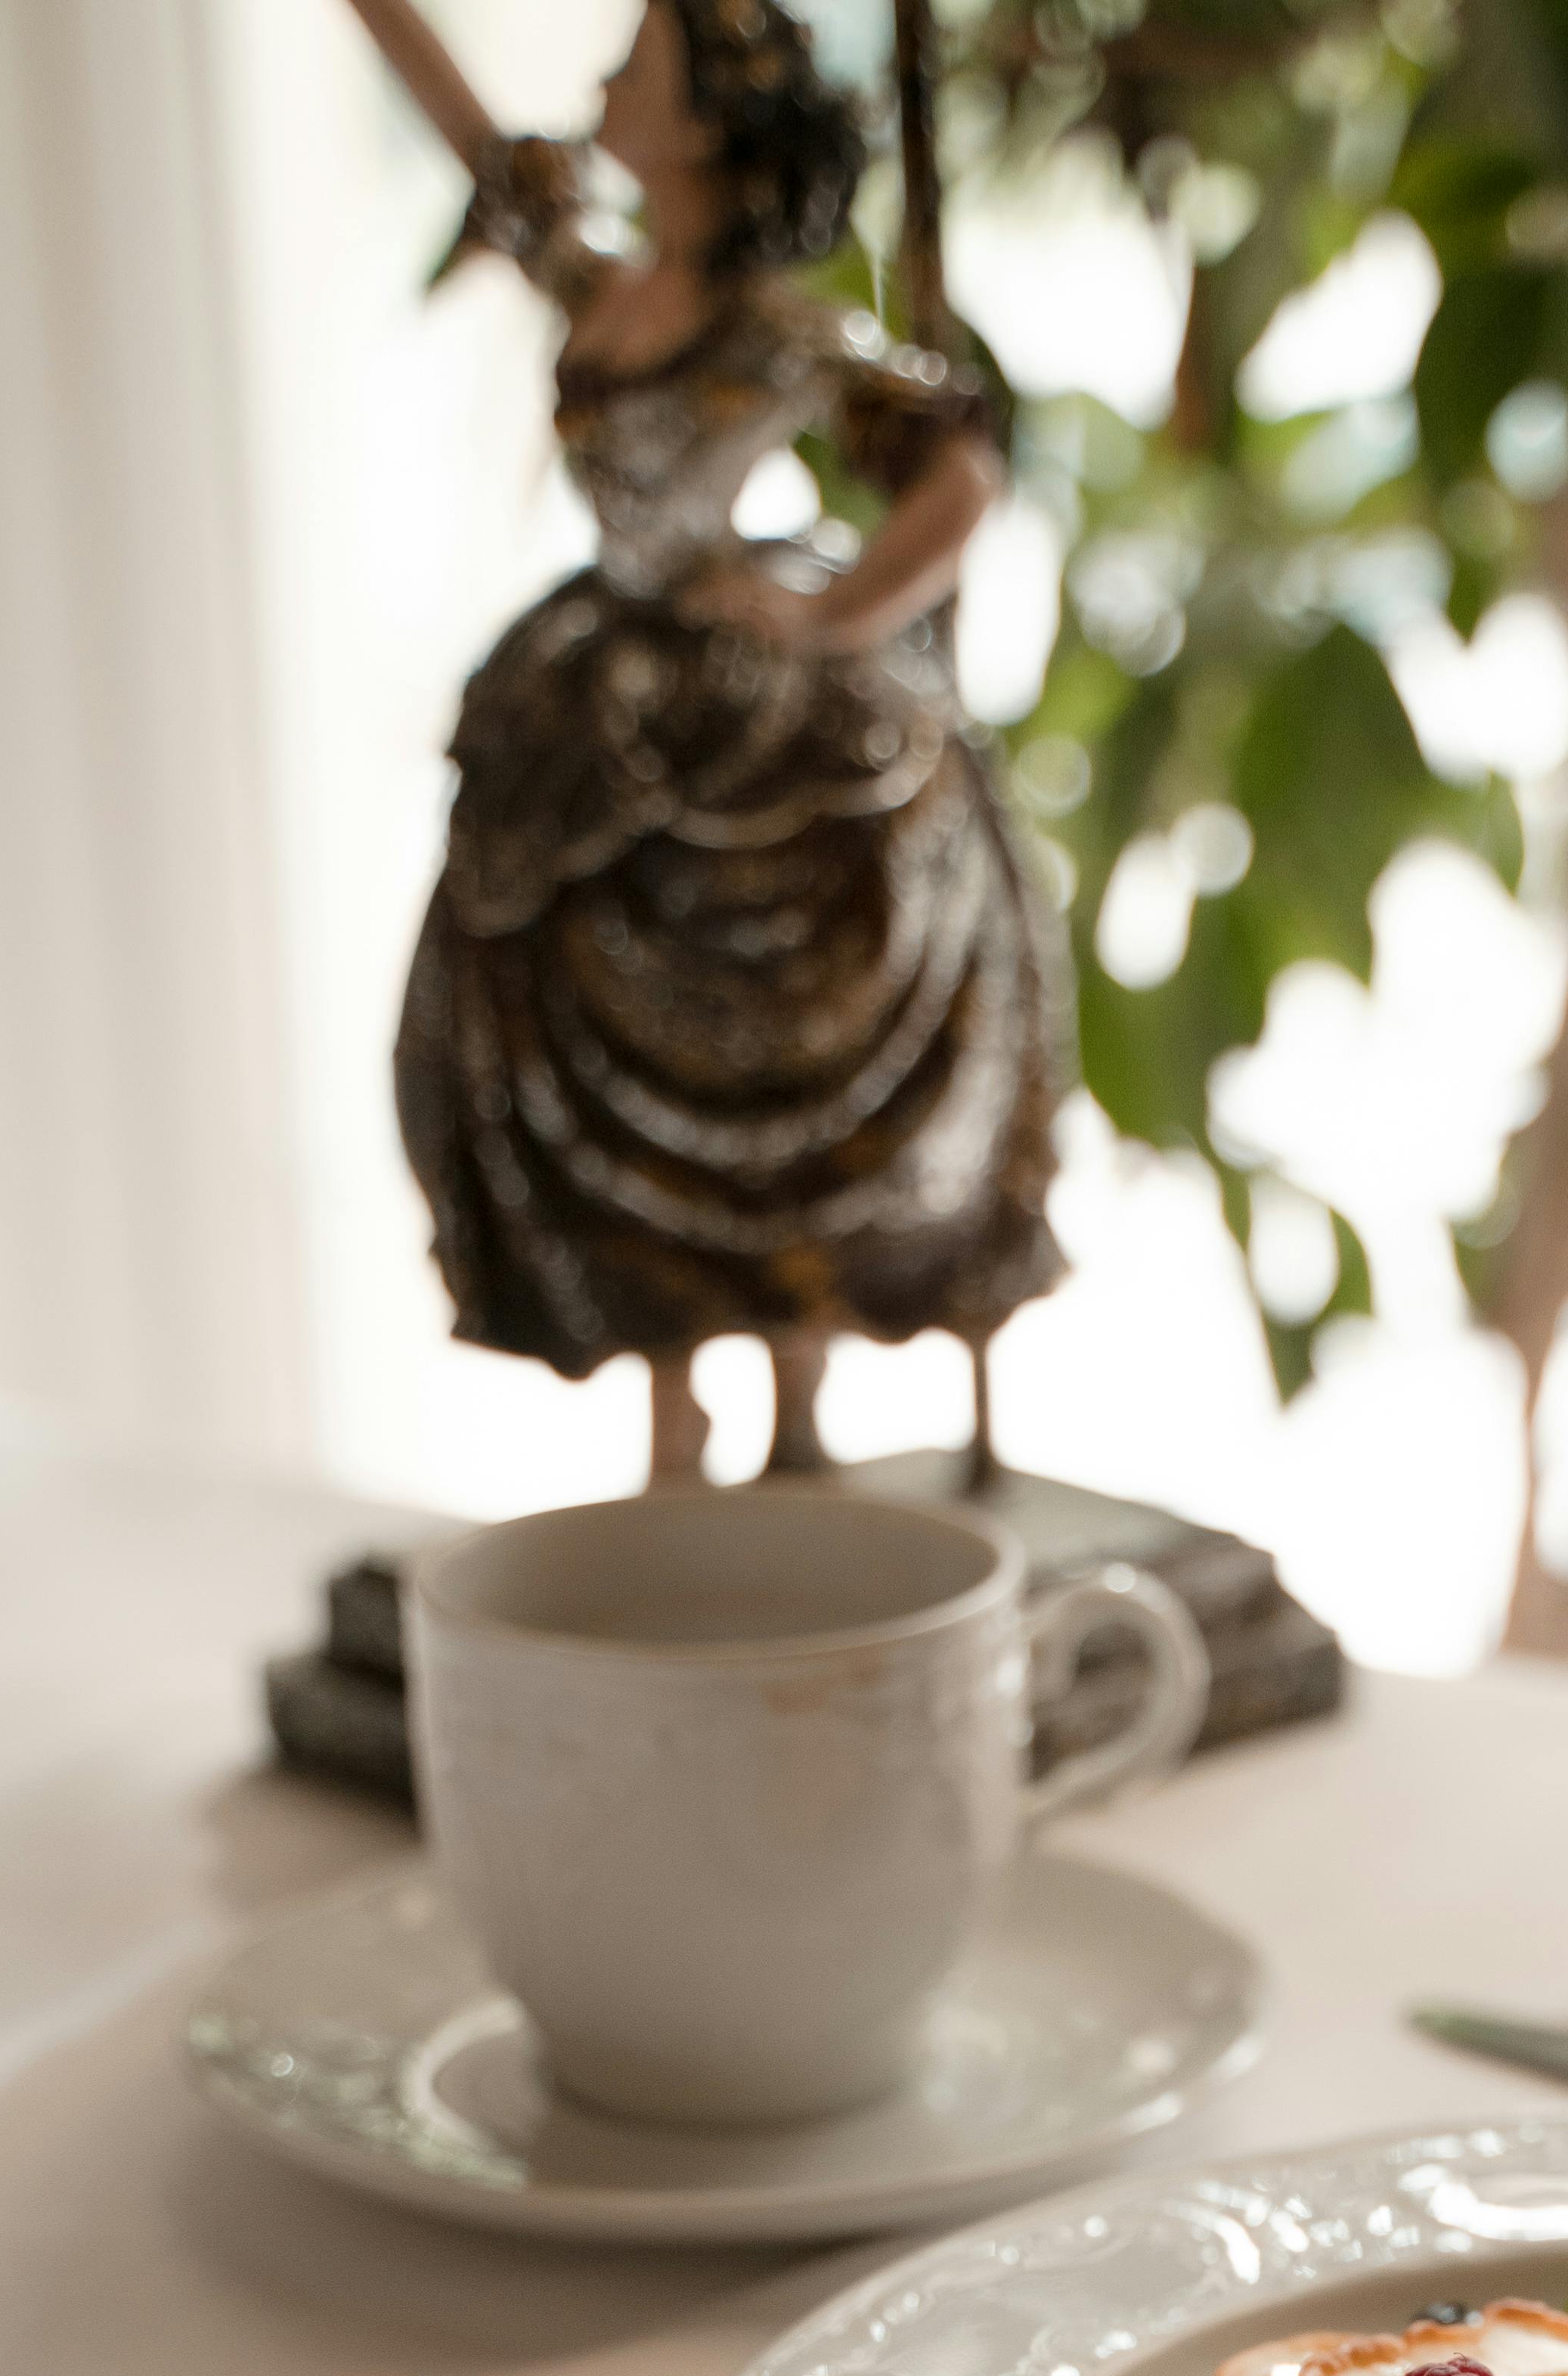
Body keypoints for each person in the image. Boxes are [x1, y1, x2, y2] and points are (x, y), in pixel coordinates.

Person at [346, 0, 1062, 1484]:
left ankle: (798, 1408)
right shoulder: (601, 281)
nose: (607, 78)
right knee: (570, 994)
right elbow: (478, 141)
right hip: (600, 701)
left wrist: (837, 614)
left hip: (755, 713)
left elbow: (956, 468)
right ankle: (673, 1407)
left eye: (638, 65)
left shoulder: (777, 335)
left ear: (702, 128)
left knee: (795, 1049)